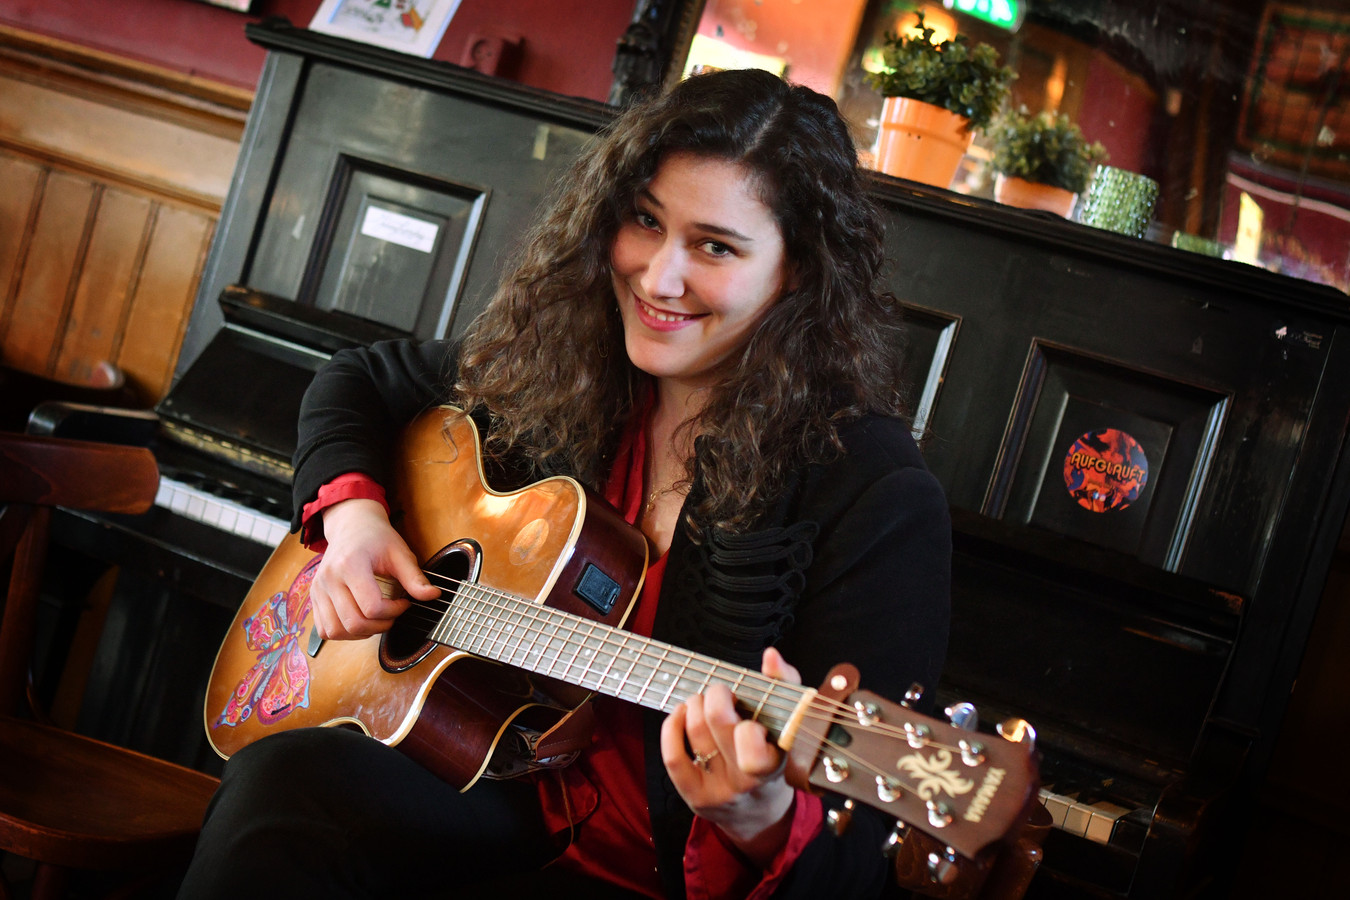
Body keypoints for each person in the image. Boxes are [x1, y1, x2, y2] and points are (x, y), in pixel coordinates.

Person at [179, 67, 950, 900]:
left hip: (645, 873)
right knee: (282, 788)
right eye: (644, 222)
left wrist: (758, 815)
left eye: (715, 247)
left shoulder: (875, 495)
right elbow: (361, 378)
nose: (657, 278)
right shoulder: (572, 366)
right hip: (499, 794)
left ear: (798, 270)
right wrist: (354, 519)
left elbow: (861, 860)